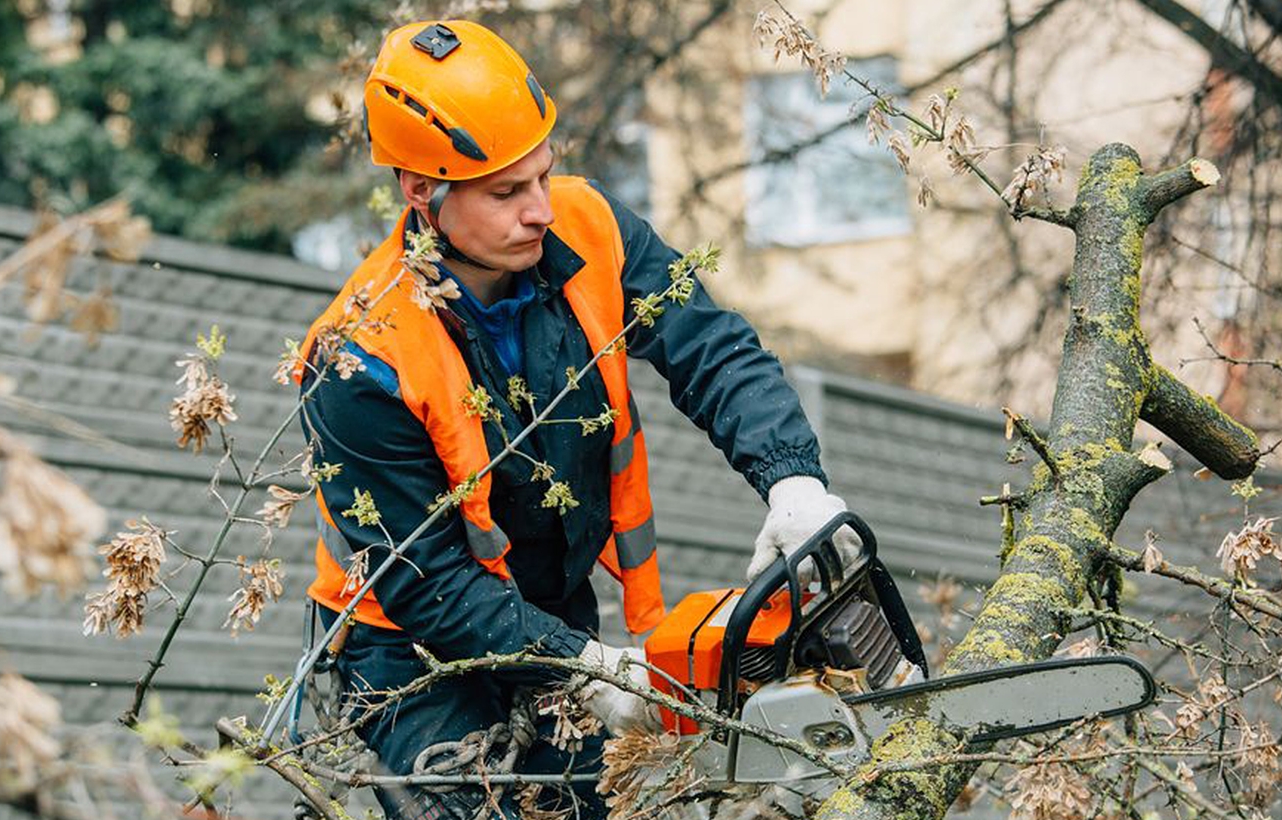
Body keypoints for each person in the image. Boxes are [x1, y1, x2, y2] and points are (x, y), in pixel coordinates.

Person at [294, 19, 860, 820]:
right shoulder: (357, 359)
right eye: (504, 193)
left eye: (543, 177)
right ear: (421, 191)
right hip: (406, 651)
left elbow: (713, 350)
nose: (538, 212)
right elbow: (431, 588)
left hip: (553, 603)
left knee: (579, 808)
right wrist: (589, 668)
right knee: (480, 808)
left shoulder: (589, 226)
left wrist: (794, 479)